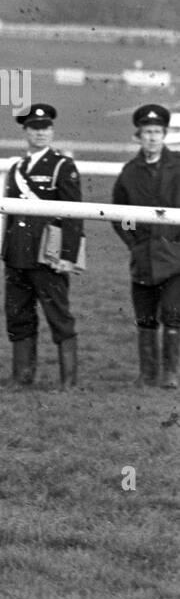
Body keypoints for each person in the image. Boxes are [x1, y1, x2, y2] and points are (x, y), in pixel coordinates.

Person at [2, 103, 83, 388]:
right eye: (35, 128)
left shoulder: (63, 166)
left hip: (48, 255)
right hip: (17, 256)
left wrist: (68, 256)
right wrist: (6, 252)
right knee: (18, 316)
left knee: (59, 317)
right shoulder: (17, 168)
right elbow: (11, 215)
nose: (41, 133)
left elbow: (74, 215)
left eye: (46, 128)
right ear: (25, 131)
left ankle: (68, 382)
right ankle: (22, 377)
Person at [111, 104, 180, 387]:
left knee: (174, 315)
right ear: (138, 136)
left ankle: (170, 374)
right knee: (145, 318)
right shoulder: (129, 172)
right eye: (147, 132)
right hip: (142, 257)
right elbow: (120, 215)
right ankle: (147, 374)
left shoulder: (178, 167)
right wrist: (134, 240)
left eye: (157, 132)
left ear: (164, 134)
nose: (152, 137)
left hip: (175, 257)